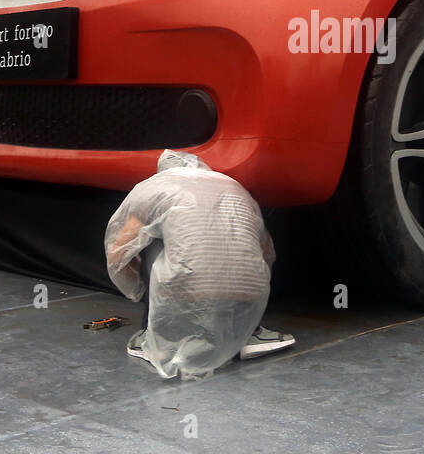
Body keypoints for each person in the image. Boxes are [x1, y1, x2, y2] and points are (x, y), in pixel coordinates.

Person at [104, 150, 294, 379]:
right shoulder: (232, 185)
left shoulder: (156, 187)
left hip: (185, 287)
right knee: (233, 242)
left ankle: (156, 339)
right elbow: (265, 252)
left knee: (149, 239)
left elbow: (118, 253)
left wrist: (135, 289)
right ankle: (249, 333)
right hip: (249, 288)